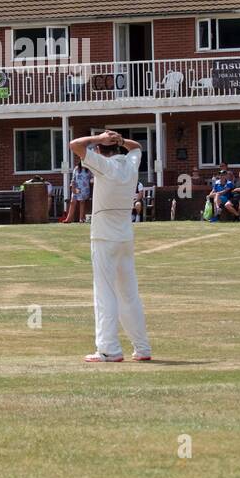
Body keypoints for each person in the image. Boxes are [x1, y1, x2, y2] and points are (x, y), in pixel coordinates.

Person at [69, 130, 152, 363]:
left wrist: (98, 139)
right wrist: (119, 140)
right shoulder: (130, 163)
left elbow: (74, 145)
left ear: (100, 151)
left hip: (105, 237)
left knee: (105, 293)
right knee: (129, 294)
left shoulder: (105, 165)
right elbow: (136, 147)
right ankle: (142, 347)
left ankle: (109, 349)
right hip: (125, 236)